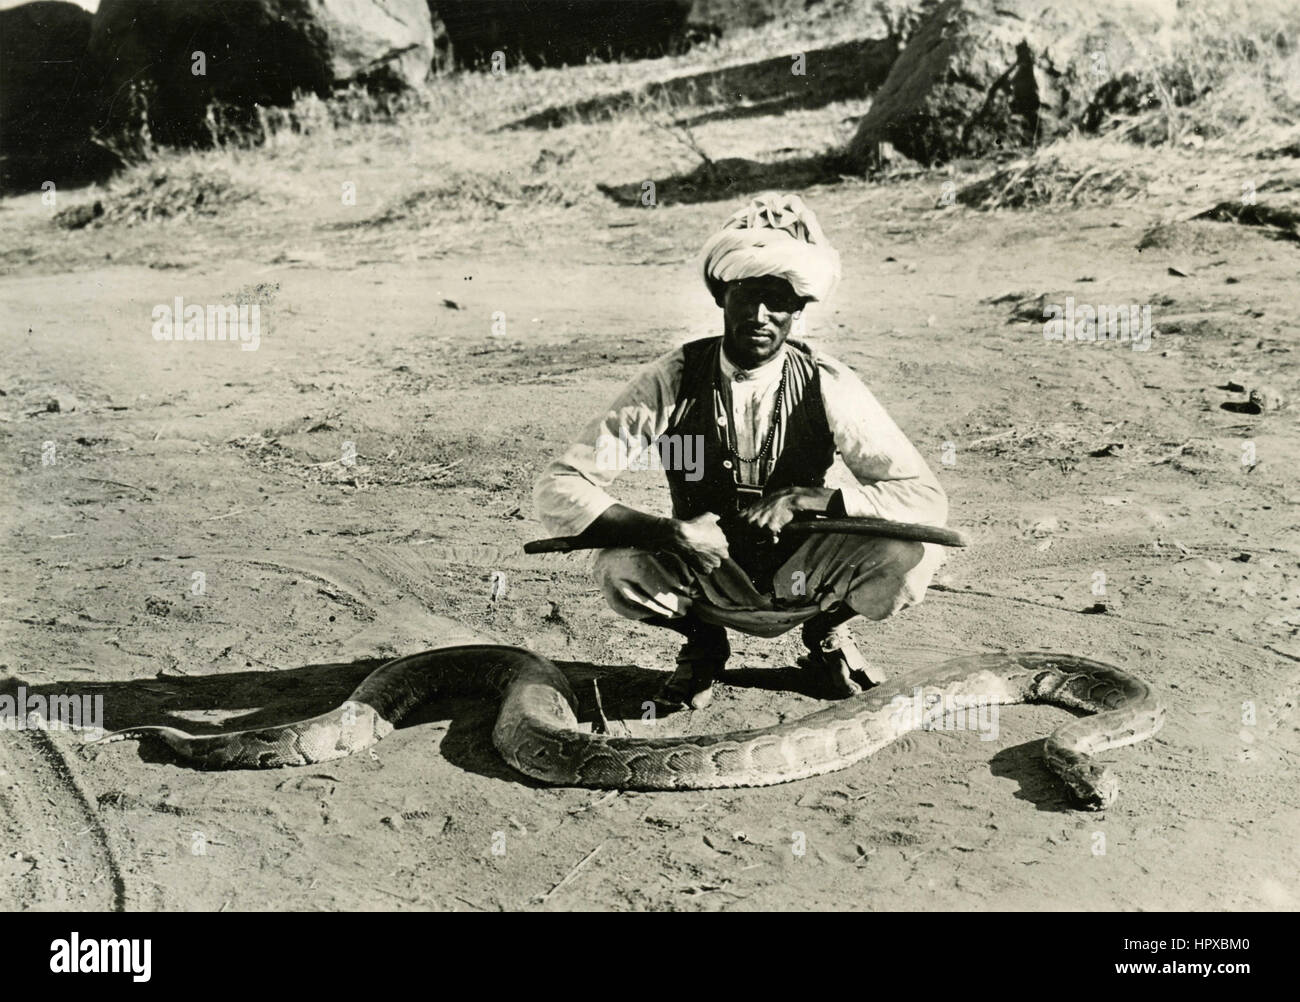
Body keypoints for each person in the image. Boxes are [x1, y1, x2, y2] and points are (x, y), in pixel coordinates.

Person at [533, 192, 947, 710]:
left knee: (909, 560)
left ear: (799, 308)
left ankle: (825, 635)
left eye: (778, 300)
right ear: (720, 295)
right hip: (707, 572)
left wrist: (808, 499)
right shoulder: (674, 377)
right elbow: (559, 485)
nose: (759, 315)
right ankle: (704, 646)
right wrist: (669, 532)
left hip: (806, 573)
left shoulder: (827, 382)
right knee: (620, 567)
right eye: (746, 295)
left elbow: (925, 498)